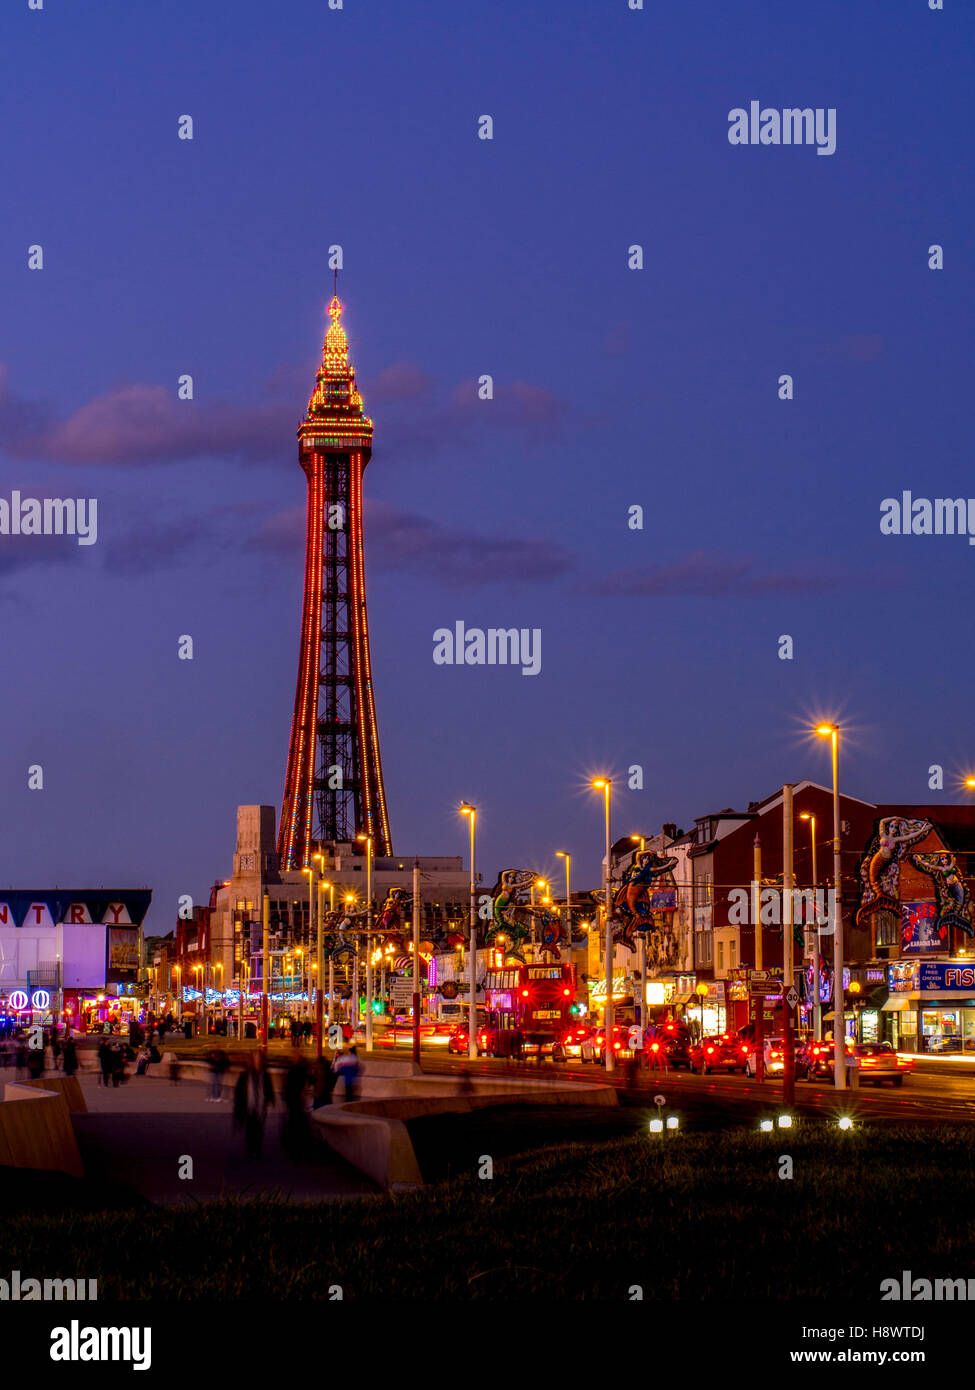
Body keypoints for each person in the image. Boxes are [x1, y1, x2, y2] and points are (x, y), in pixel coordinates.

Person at [234, 1052, 275, 1159]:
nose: (257, 1061)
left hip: (261, 1106)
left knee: (259, 1129)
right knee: (250, 1128)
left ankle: (257, 1149)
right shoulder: (245, 1075)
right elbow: (239, 1091)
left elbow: (269, 1088)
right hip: (249, 1106)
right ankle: (251, 1148)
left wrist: (271, 1099)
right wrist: (238, 1105)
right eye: (255, 1059)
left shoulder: (265, 1074)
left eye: (259, 1059)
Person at [282, 1053, 310, 1156]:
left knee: (295, 1122)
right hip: (295, 1100)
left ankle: (295, 1146)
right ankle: (296, 1146)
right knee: (296, 1122)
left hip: (295, 1101)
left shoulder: (294, 1070)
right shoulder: (297, 1070)